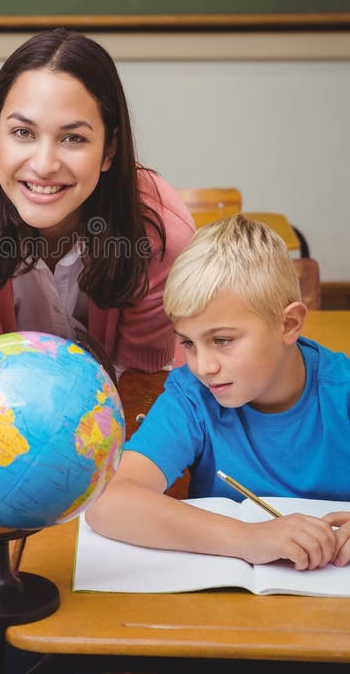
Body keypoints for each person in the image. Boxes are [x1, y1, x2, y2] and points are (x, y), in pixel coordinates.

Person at [0, 28, 195, 374]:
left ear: (110, 149)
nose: (44, 166)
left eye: (73, 138)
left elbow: (138, 386)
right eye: (23, 133)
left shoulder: (158, 234)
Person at [86, 214, 350, 570]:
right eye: (188, 343)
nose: (203, 366)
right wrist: (249, 538)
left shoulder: (341, 392)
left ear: (288, 325)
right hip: (225, 612)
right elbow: (108, 504)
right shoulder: (193, 396)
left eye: (222, 340)